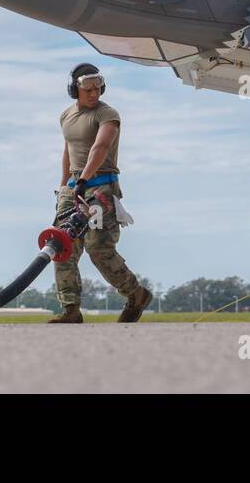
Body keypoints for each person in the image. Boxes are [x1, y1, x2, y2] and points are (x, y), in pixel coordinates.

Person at [49, 63, 152, 324]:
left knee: (98, 248)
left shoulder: (108, 114)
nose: (94, 94)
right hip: (74, 188)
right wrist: (65, 187)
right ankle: (70, 309)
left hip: (100, 188)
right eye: (88, 89)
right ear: (75, 90)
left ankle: (136, 294)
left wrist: (84, 179)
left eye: (98, 88)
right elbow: (68, 152)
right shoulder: (66, 116)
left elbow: (101, 146)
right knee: (63, 247)